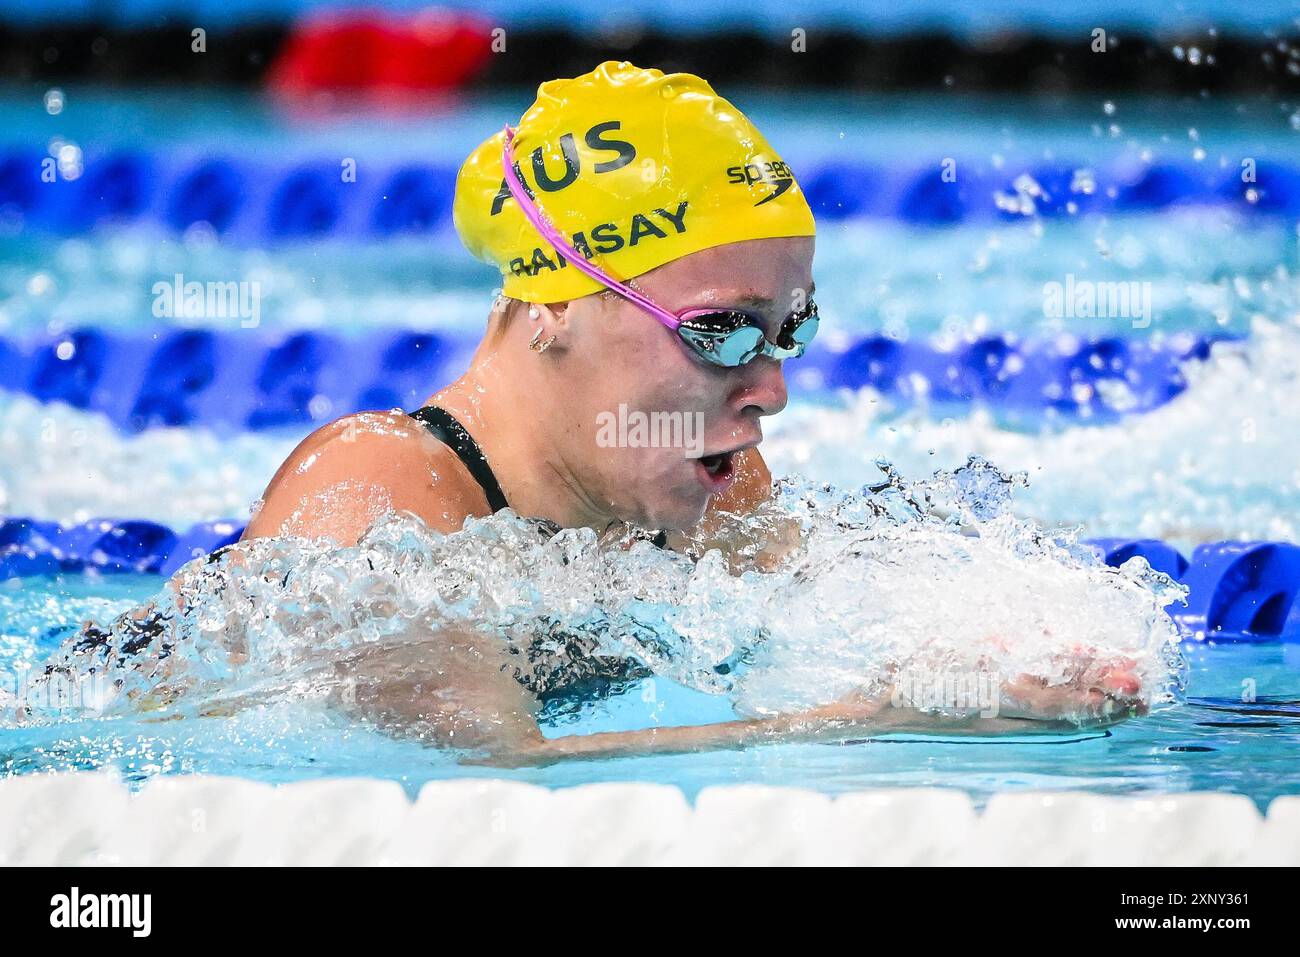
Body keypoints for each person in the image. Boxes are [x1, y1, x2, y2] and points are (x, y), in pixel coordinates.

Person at [238, 61, 1144, 765]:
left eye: (789, 329)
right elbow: (504, 780)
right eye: (719, 331)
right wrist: (889, 717)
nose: (772, 391)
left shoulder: (707, 482)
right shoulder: (382, 489)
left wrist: (986, 656)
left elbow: (815, 627)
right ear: (554, 305)